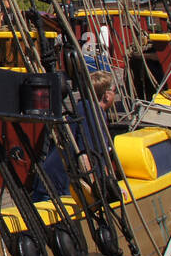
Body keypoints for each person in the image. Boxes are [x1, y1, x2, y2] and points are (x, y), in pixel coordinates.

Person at [33, 71, 116, 201]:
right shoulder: (91, 112)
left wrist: (110, 184)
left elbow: (99, 158)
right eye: (115, 91)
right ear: (107, 95)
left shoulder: (85, 107)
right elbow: (85, 157)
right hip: (57, 189)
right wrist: (98, 191)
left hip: (51, 183)